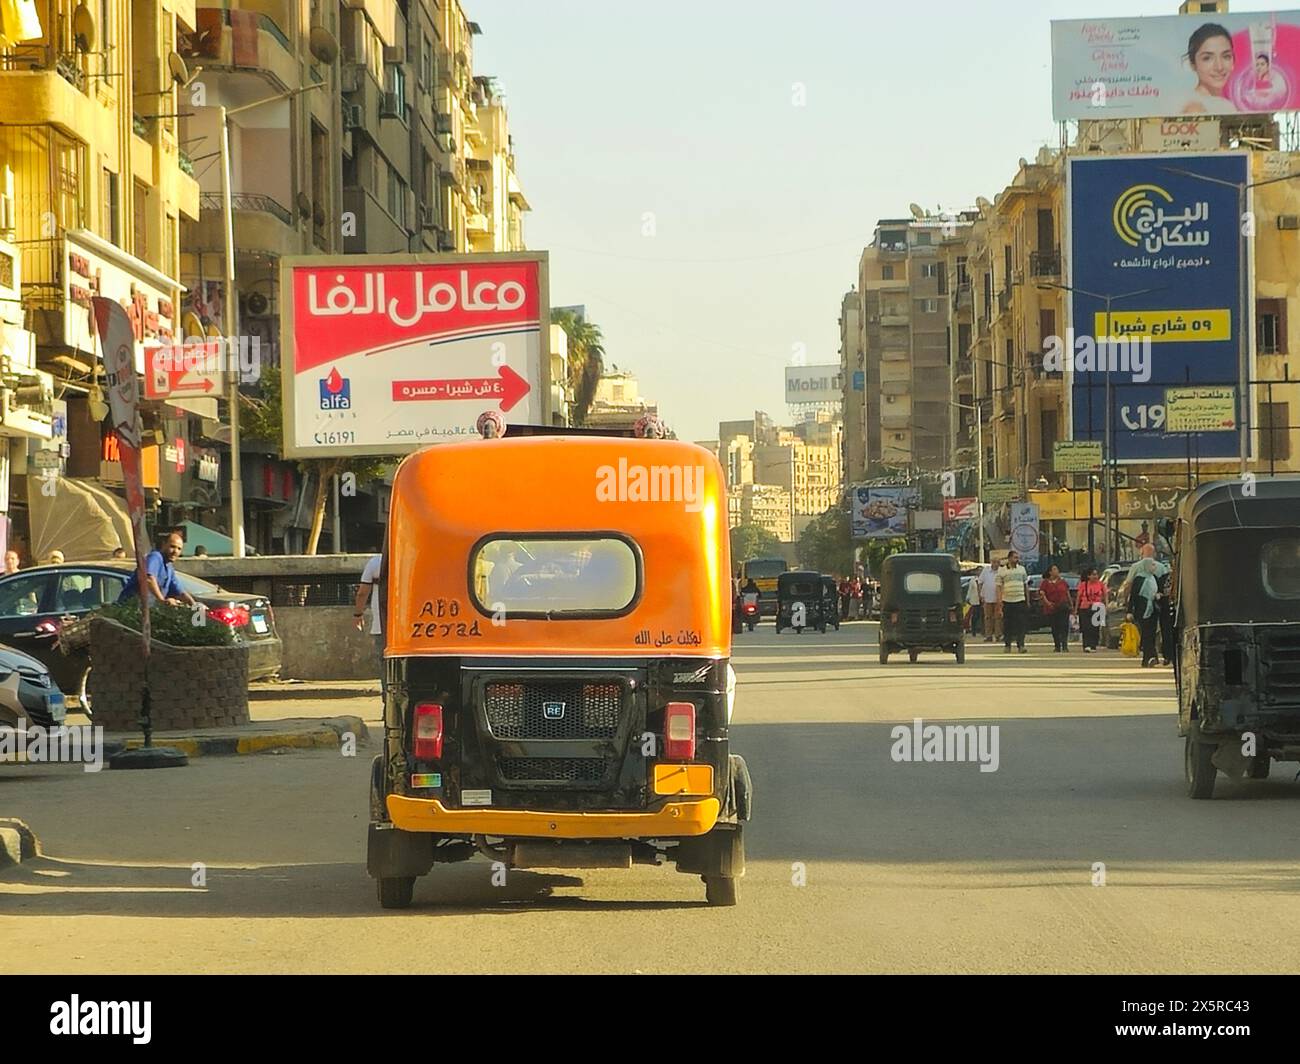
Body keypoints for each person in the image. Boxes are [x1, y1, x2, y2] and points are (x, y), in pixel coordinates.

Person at [116, 529, 196, 607]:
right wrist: (162, 601)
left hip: (147, 610)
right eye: (172, 546)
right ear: (164, 544)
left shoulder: (169, 568)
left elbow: (180, 592)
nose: (175, 551)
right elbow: (149, 578)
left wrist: (195, 605)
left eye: (179, 549)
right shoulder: (155, 557)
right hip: (130, 609)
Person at [1125, 545, 1169, 668]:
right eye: (1152, 565)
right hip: (1142, 610)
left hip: (1153, 610)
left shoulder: (1154, 578)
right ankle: (1149, 656)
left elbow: (1160, 590)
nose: (1155, 567)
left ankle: (1150, 657)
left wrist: (1158, 596)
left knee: (1151, 633)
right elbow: (1133, 595)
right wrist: (1129, 610)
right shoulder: (1139, 579)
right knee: (1146, 634)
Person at [1181, 23, 1237, 115]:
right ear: (1193, 64)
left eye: (1226, 56)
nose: (1219, 67)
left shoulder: (1225, 105)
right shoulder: (1194, 108)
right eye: (1207, 58)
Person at [354, 553, 384, 686]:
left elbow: (362, 593)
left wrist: (358, 614)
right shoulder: (409, 559)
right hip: (408, 626)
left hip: (381, 624)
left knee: (384, 663)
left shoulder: (375, 562)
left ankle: (387, 694)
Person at [996, 550, 1029, 654]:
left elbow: (1025, 585)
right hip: (1007, 601)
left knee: (1021, 624)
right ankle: (1007, 645)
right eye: (1015, 557)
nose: (1017, 559)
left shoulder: (1022, 569)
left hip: (1020, 600)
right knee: (1007, 625)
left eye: (1017, 558)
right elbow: (998, 587)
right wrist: (999, 602)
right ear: (1009, 558)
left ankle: (1021, 645)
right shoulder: (1002, 571)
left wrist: (1027, 600)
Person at [1039, 563, 1072, 653]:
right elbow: (1042, 594)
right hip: (1052, 607)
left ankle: (1064, 645)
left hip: (1063, 606)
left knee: (1064, 626)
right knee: (1055, 627)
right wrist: (1048, 603)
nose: (1057, 571)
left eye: (1057, 569)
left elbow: (1067, 593)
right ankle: (1057, 646)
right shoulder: (1045, 583)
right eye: (1054, 569)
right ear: (1050, 572)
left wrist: (1071, 604)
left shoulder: (1063, 582)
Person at [1075, 566, 1106, 654]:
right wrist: (1076, 609)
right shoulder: (1083, 585)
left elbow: (1105, 595)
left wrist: (1105, 606)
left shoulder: (1101, 584)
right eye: (1093, 574)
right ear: (1088, 576)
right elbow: (1078, 597)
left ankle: (1093, 645)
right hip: (1085, 608)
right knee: (1086, 627)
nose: (1095, 576)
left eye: (1096, 574)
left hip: (1097, 608)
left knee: (1095, 628)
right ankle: (1086, 645)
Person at [979, 559, 1002, 642]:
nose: (996, 564)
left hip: (998, 599)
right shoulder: (986, 571)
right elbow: (980, 583)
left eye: (998, 562)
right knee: (988, 617)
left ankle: (998, 635)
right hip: (987, 598)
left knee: (998, 617)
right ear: (991, 562)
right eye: (995, 562)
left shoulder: (1002, 571)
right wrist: (980, 595)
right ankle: (988, 635)